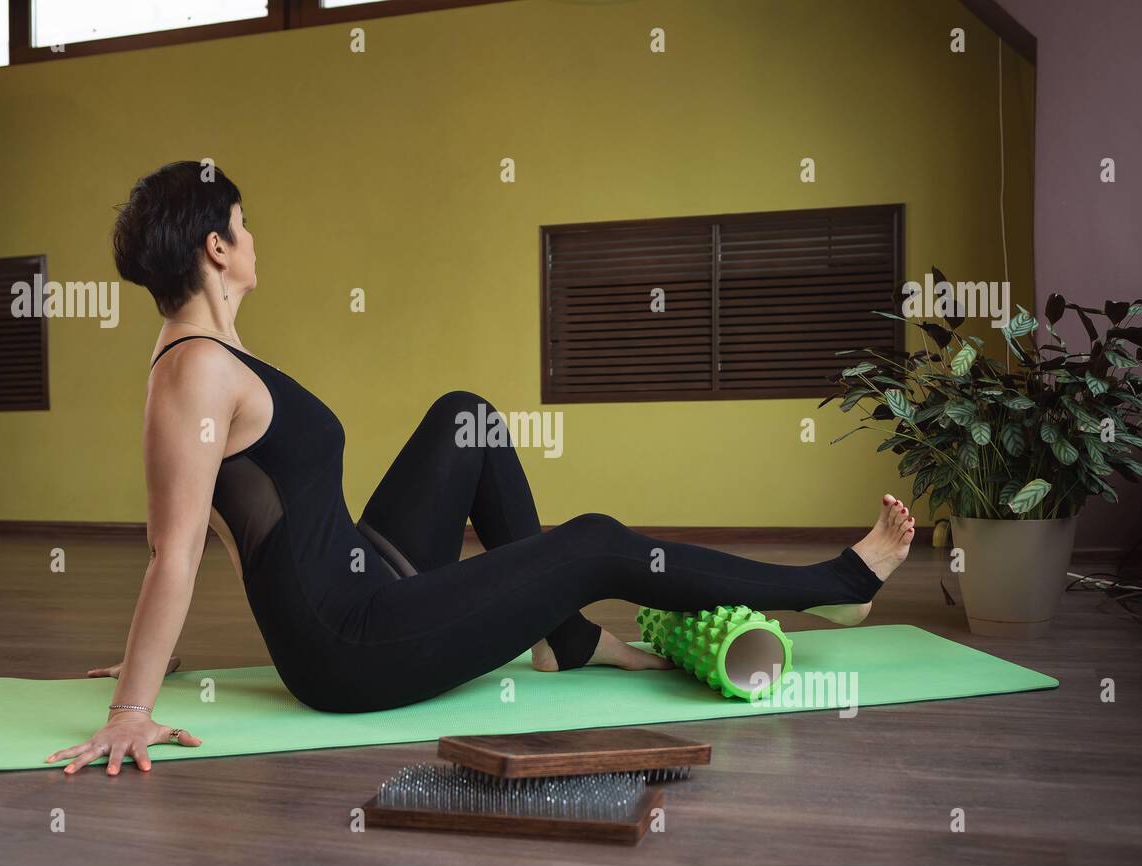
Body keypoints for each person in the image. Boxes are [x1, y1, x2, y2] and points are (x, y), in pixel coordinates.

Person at [46, 161, 915, 776]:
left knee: (466, 418)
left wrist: (155, 660)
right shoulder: (193, 368)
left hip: (370, 578)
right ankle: (833, 583)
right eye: (244, 222)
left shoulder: (206, 354)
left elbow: (225, 516)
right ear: (216, 248)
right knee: (592, 544)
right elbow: (177, 544)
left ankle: (566, 639)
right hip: (349, 648)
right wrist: (132, 706)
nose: (253, 234)